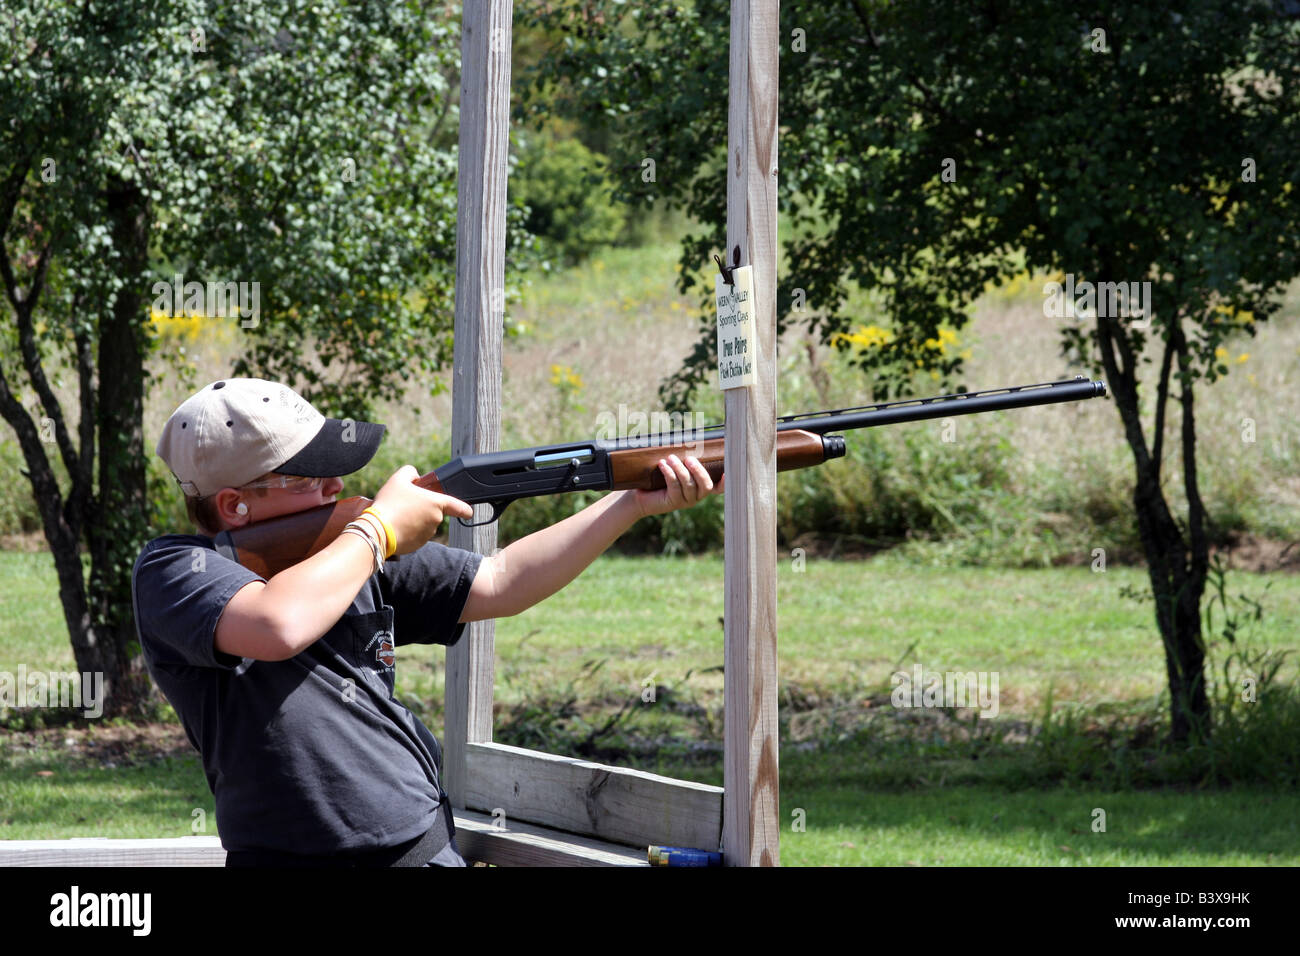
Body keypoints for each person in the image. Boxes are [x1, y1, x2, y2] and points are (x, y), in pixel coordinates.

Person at [131, 377, 720, 866]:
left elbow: (502, 580)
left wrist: (632, 503)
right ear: (235, 505)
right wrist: (378, 529)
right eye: (310, 478)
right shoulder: (176, 569)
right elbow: (276, 625)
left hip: (419, 848)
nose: (337, 488)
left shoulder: (353, 555)